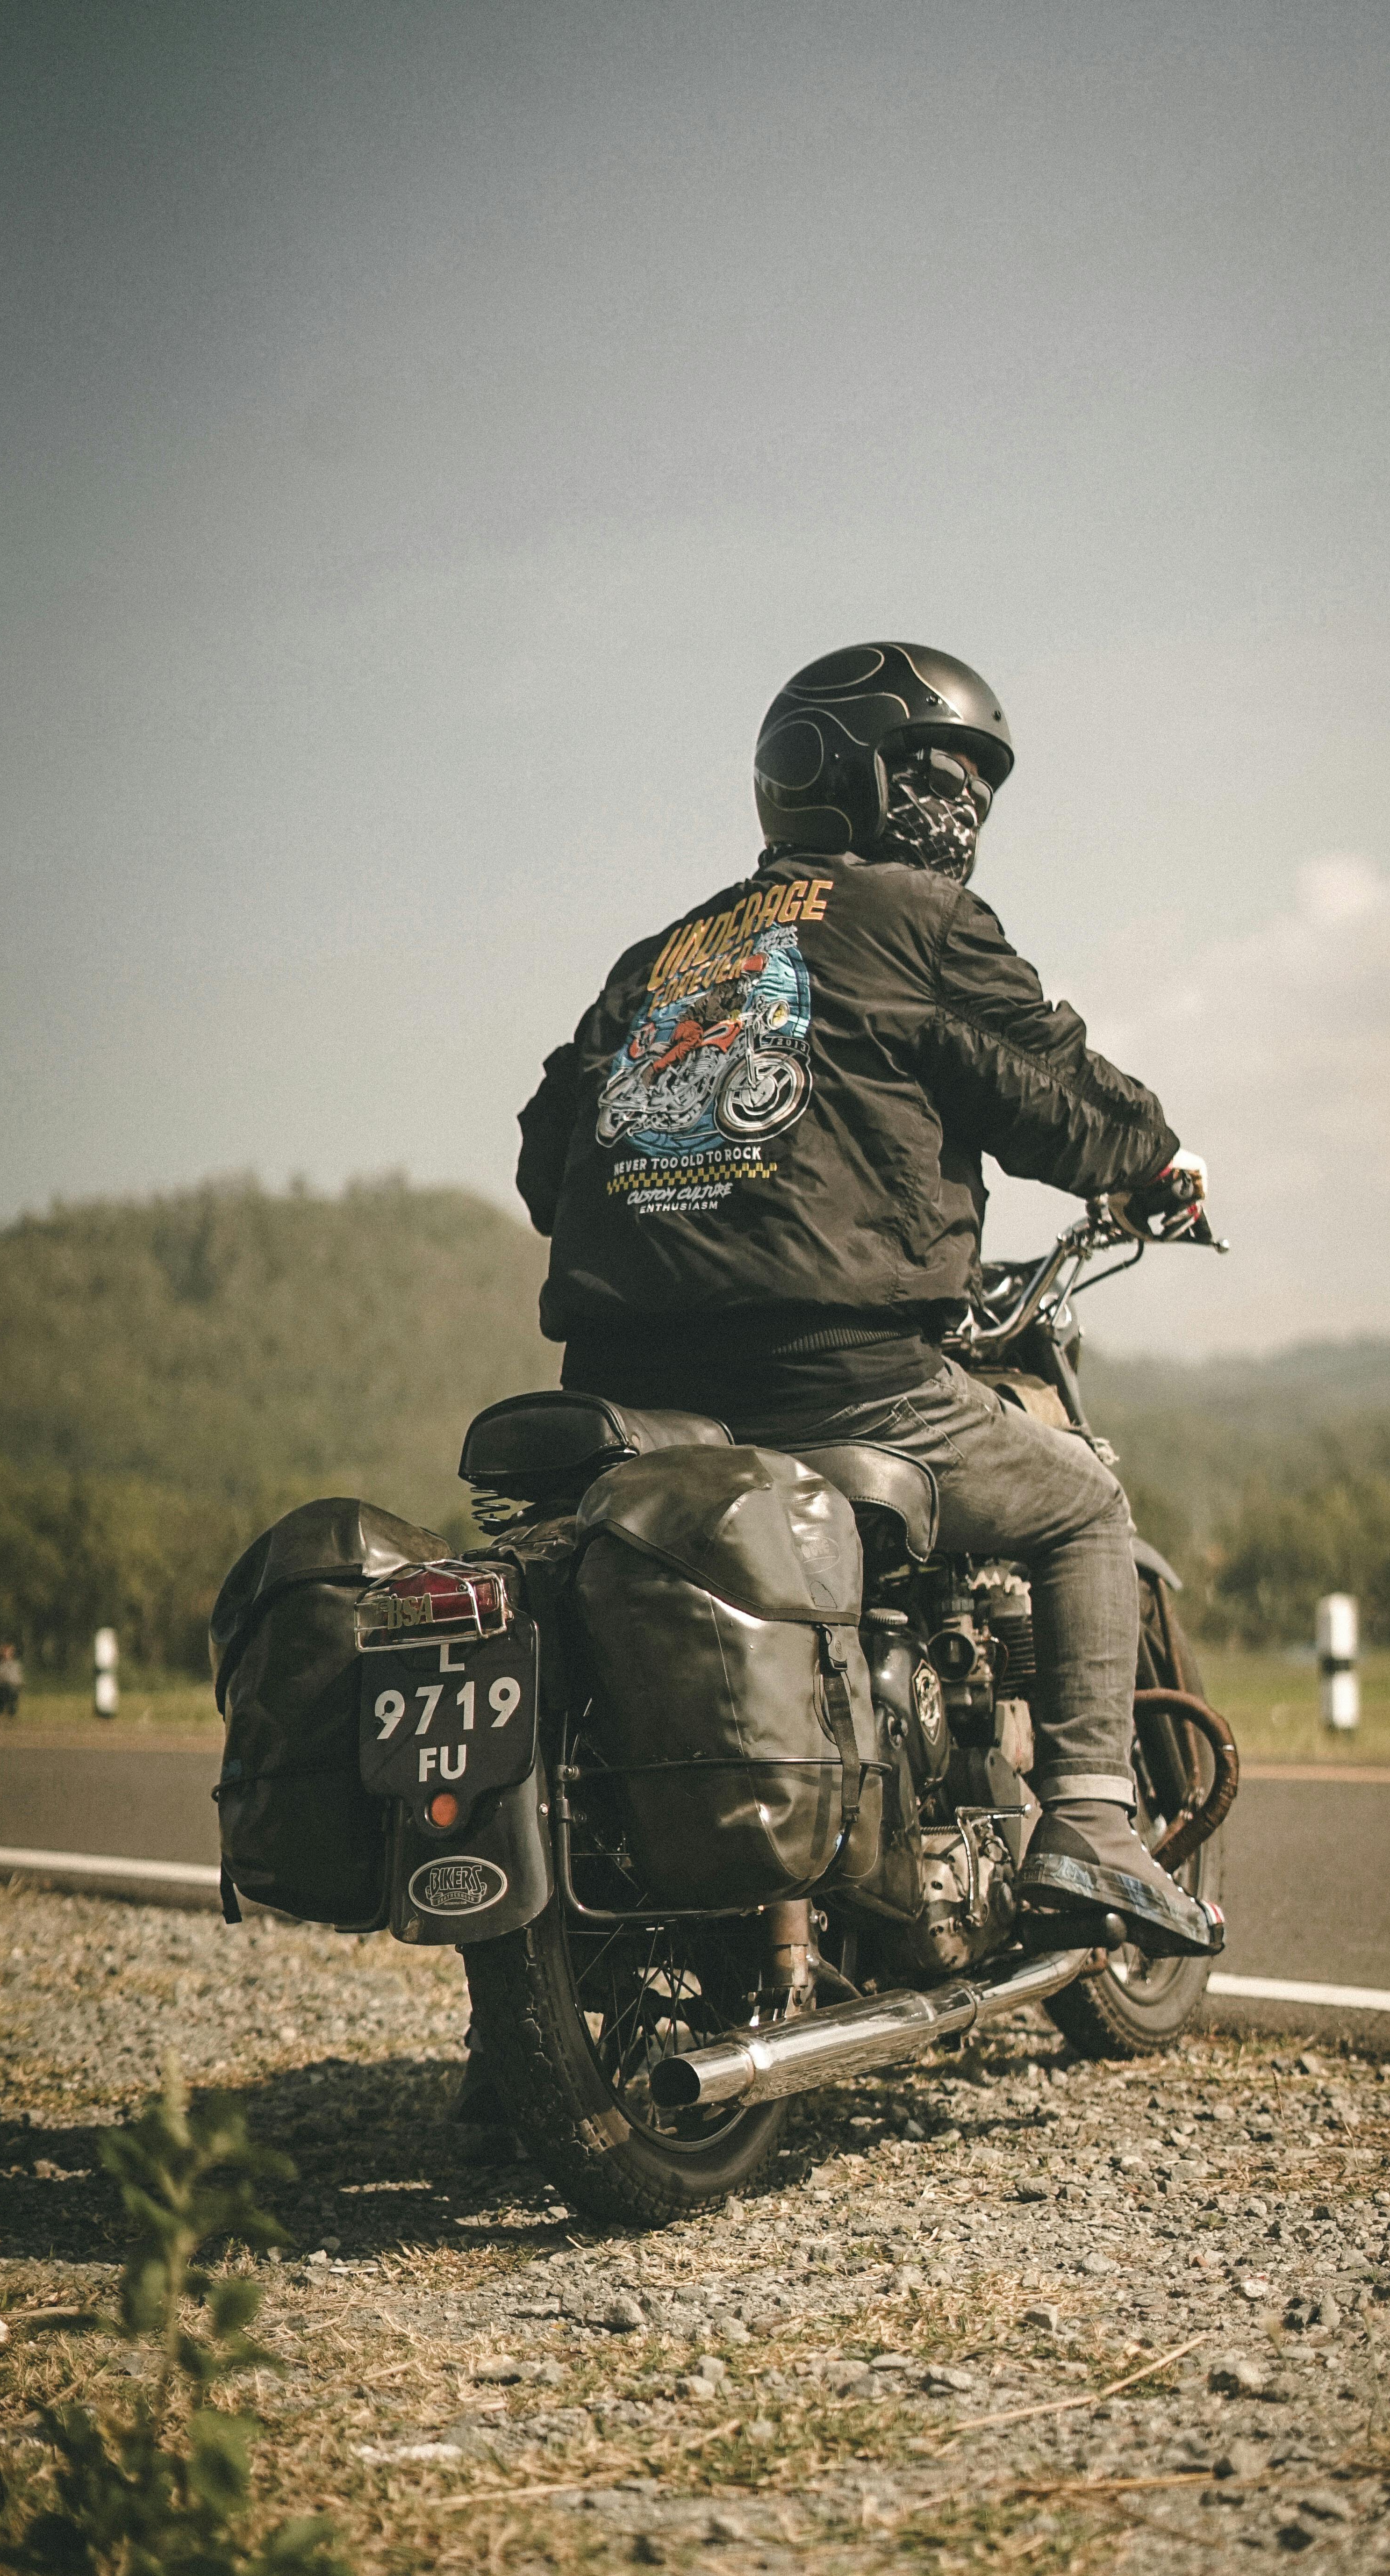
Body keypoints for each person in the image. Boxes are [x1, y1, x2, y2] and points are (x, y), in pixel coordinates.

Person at [515, 641, 1222, 1961]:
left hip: (618, 1385)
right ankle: (1088, 1827)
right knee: (1082, 1504)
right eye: (935, 772)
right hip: (831, 1367)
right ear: (840, 776)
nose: (959, 808)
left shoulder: (657, 958)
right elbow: (1057, 1098)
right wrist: (1156, 1157)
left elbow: (548, 1168)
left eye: (975, 786)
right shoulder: (920, 923)